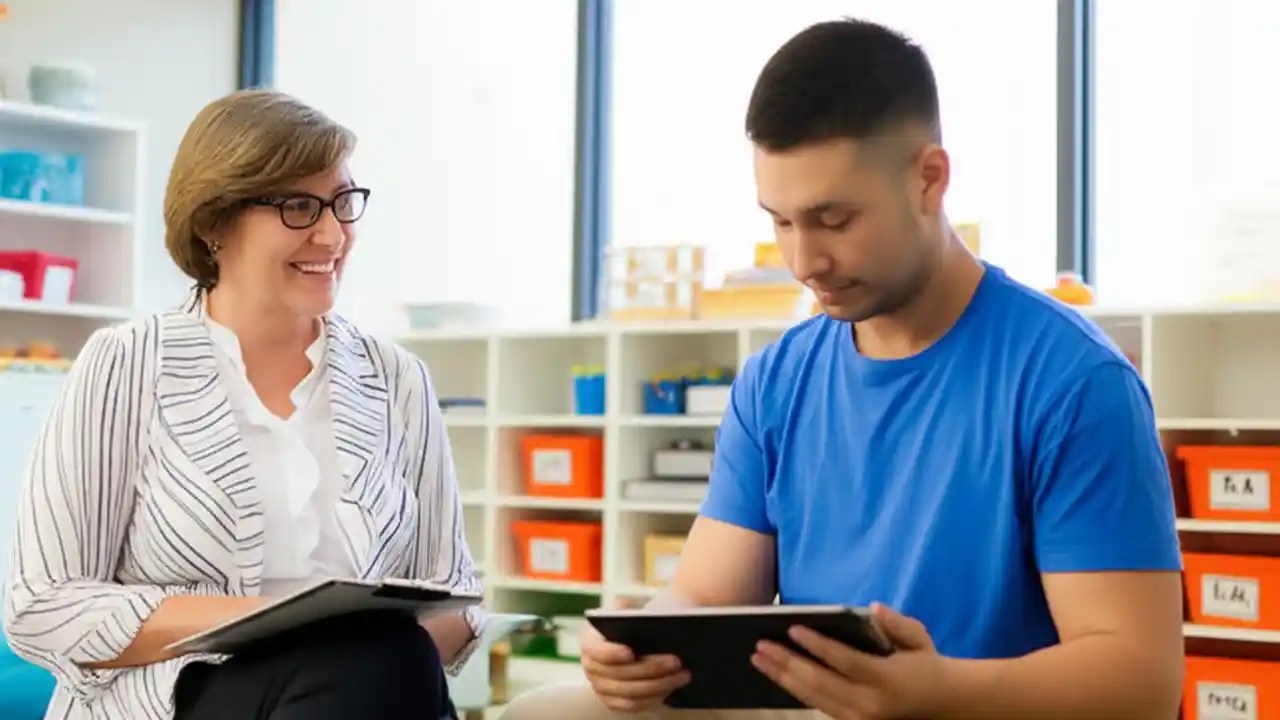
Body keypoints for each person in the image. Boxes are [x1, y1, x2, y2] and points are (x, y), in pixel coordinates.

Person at [501, 17, 1183, 720]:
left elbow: (1140, 682)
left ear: (929, 179)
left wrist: (940, 693)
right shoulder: (775, 382)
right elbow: (702, 596)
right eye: (782, 222)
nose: (804, 262)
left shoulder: (1073, 382)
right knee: (545, 712)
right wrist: (639, 647)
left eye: (834, 218)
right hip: (806, 712)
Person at [3, 90, 484, 720]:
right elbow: (43, 604)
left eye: (343, 202)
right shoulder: (125, 362)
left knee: (381, 656)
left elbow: (455, 599)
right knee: (367, 657)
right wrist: (280, 624)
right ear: (213, 222)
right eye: (297, 206)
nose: (333, 233)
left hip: (379, 685)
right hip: (177, 700)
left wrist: (368, 637)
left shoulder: (399, 380)